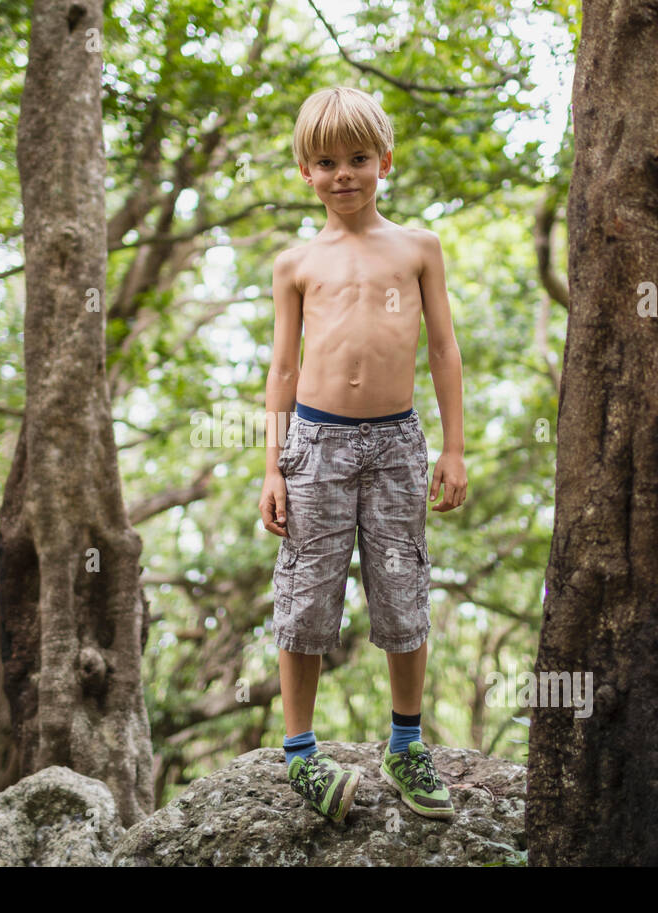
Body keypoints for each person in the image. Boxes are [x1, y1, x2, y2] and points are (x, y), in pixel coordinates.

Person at [259, 86, 468, 823]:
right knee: (306, 593)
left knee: (401, 587)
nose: (342, 173)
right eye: (325, 162)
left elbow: (443, 348)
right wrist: (273, 466)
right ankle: (302, 757)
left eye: (356, 159)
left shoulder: (417, 249)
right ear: (304, 174)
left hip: (396, 445)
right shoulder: (296, 263)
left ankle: (406, 744)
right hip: (314, 443)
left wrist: (453, 448)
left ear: (384, 162)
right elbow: (282, 371)